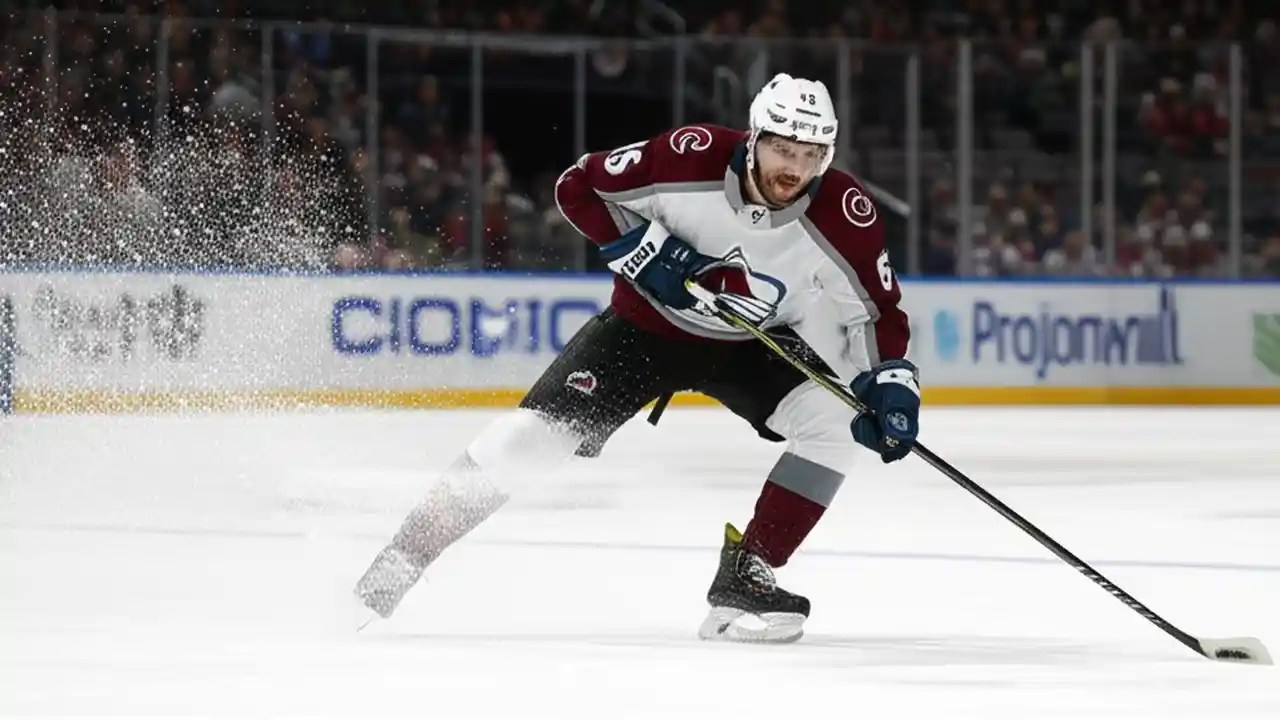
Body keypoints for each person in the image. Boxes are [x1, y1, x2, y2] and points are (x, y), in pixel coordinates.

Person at [353, 73, 920, 643]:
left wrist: (893, 386)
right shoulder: (687, 157)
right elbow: (577, 185)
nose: (793, 168)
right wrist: (646, 253)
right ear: (753, 137)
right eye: (781, 148)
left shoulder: (846, 213)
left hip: (752, 342)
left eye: (810, 153)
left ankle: (747, 575)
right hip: (643, 331)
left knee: (834, 424)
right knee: (526, 440)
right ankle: (401, 559)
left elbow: (879, 312)